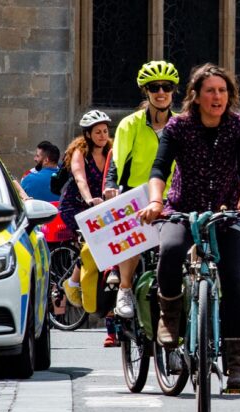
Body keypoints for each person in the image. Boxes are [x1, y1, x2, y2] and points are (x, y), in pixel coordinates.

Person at [137, 63, 240, 393]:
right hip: (182, 208)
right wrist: (155, 202)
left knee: (234, 278)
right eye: (210, 90)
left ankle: (237, 364)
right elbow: (159, 167)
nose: (217, 96)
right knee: (170, 250)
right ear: (196, 96)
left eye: (222, 91)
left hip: (226, 211)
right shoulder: (179, 128)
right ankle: (170, 317)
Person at [102, 60, 180, 320]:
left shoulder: (180, 125)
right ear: (146, 92)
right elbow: (118, 160)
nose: (161, 92)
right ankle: (124, 289)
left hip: (172, 195)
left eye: (166, 87)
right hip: (137, 192)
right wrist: (112, 187)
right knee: (134, 238)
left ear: (173, 91)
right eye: (154, 87)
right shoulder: (130, 124)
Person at [60, 110, 113, 344]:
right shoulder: (80, 153)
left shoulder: (112, 151)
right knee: (91, 245)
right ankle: (72, 283)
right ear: (88, 134)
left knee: (109, 254)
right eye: (98, 132)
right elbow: (80, 179)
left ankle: (113, 326)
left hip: (103, 208)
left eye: (105, 131)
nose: (102, 136)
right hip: (77, 205)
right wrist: (90, 198)